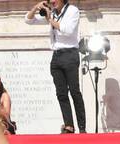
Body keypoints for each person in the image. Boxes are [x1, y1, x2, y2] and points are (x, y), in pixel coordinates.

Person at [24, 0, 84, 133]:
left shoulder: (72, 11)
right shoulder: (52, 13)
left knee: (74, 91)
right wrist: (36, 8)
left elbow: (67, 31)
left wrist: (49, 18)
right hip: (56, 56)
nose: (52, 2)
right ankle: (69, 125)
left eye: (55, 0)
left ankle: (82, 127)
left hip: (70, 54)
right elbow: (28, 20)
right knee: (61, 93)